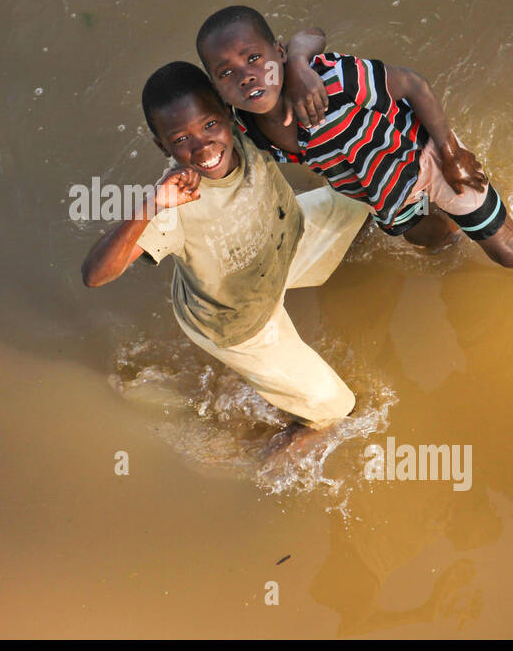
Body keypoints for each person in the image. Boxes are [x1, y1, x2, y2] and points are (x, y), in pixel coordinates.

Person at [81, 59, 369, 444]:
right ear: (161, 145)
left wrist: (298, 64)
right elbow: (95, 275)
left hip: (288, 246)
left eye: (210, 125)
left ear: (229, 115)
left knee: (369, 192)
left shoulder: (253, 127)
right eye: (181, 140)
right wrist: (151, 204)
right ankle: (278, 453)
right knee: (337, 412)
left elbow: (298, 45)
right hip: (239, 321)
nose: (203, 147)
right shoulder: (175, 202)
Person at [196, 6, 513, 273]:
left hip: (429, 159)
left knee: (510, 251)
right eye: (227, 72)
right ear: (216, 87)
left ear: (279, 53)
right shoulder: (244, 130)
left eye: (254, 58)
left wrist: (451, 152)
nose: (246, 76)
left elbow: (413, 84)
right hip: (384, 194)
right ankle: (454, 228)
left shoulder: (331, 83)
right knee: (433, 240)